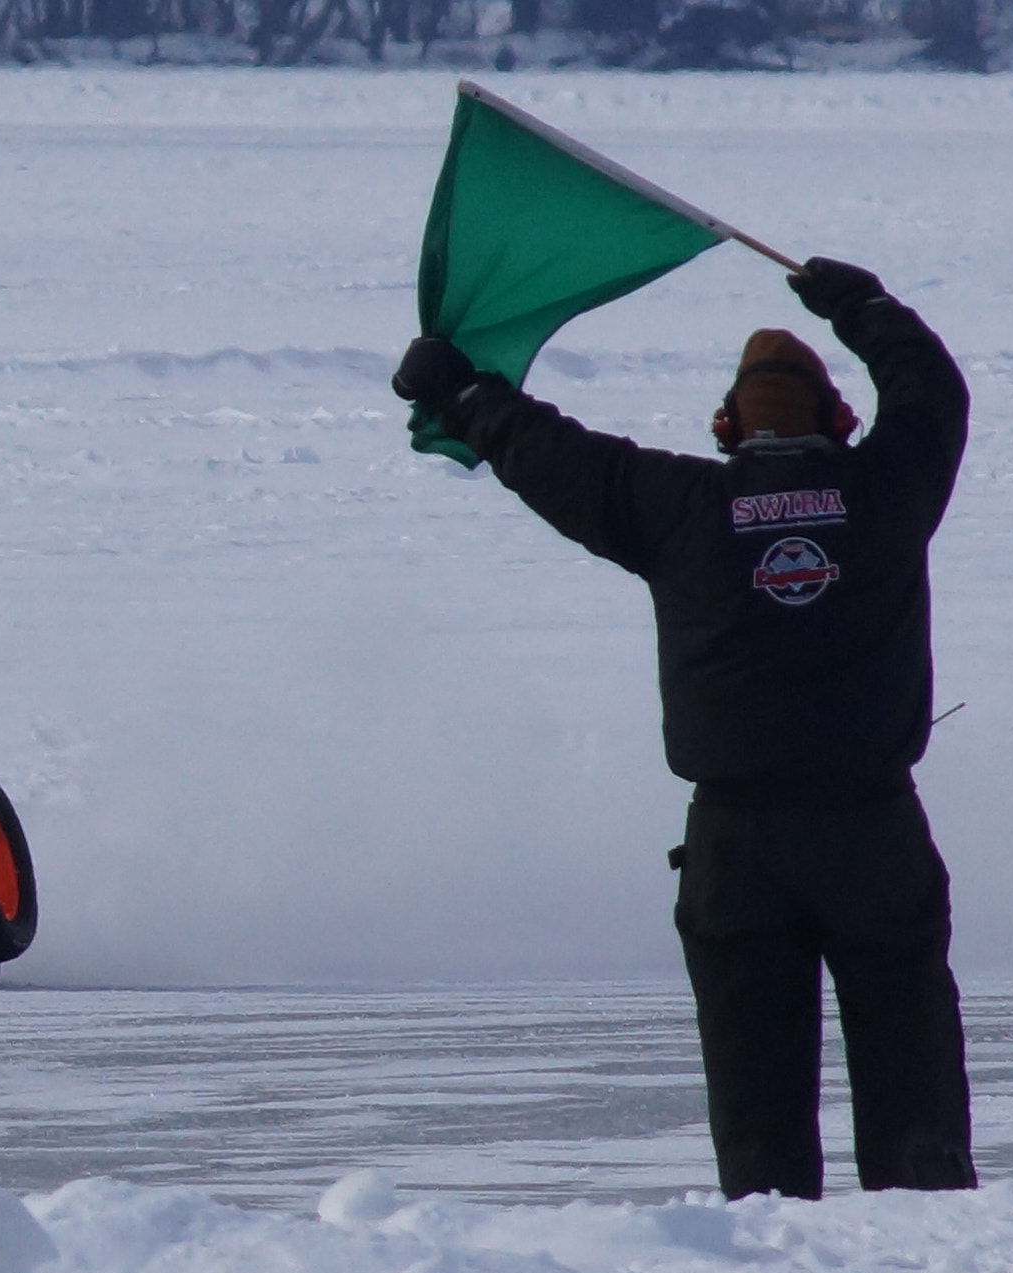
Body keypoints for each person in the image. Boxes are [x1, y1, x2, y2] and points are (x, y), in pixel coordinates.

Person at [393, 258, 975, 1200]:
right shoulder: (889, 492)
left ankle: (770, 1271)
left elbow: (554, 458)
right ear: (840, 423)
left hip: (736, 848)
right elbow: (933, 392)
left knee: (758, 1126)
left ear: (726, 432)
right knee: (912, 1088)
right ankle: (930, 1254)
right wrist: (862, 308)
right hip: (874, 832)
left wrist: (463, 392)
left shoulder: (681, 510)